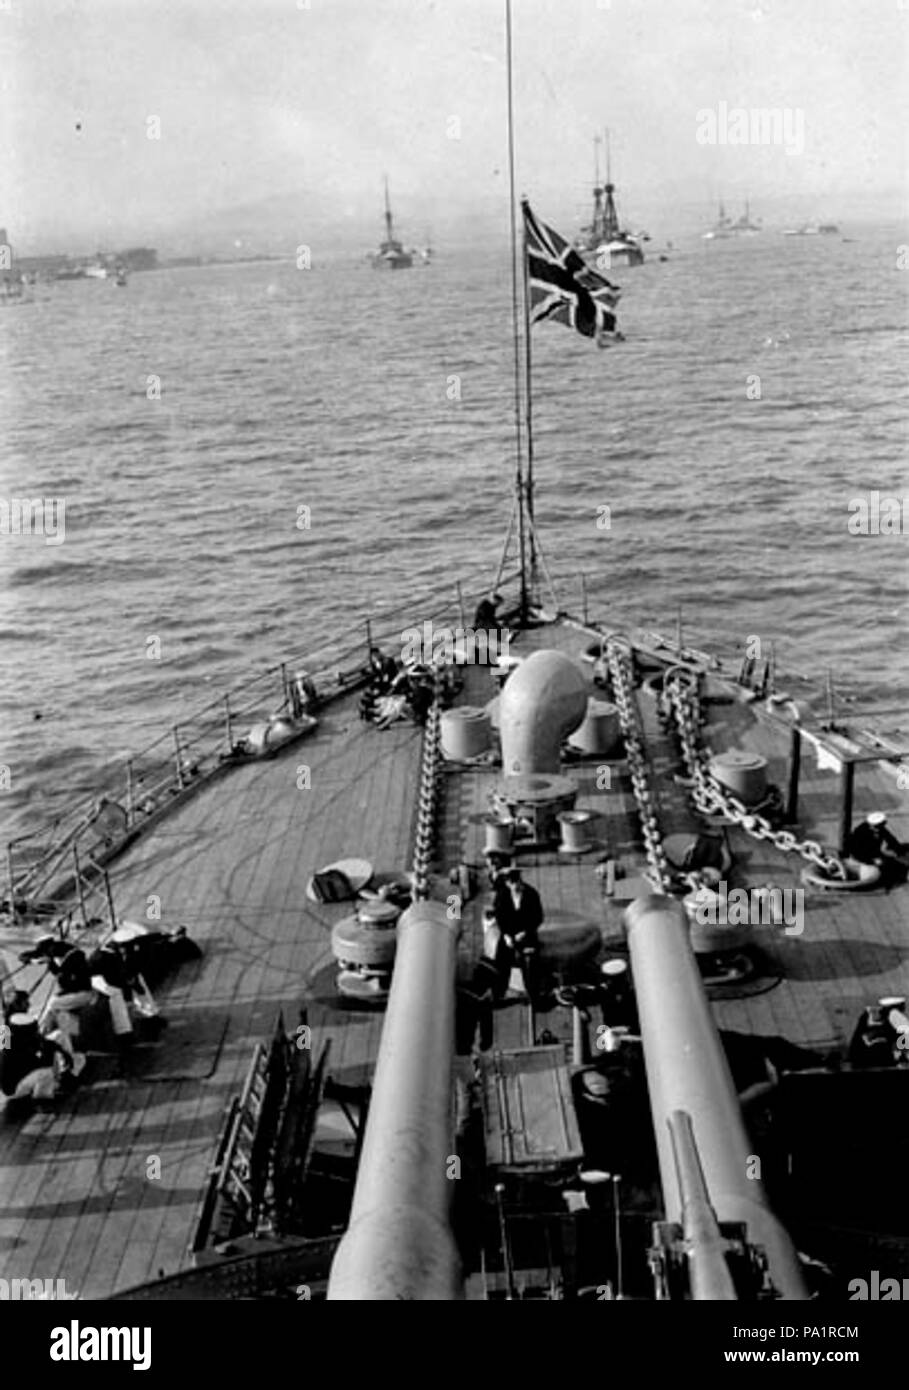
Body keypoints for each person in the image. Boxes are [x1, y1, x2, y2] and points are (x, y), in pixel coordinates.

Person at [493, 867, 544, 1001]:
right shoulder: (502, 895)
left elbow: (538, 917)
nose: (515, 887)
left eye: (517, 884)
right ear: (507, 884)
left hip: (526, 934)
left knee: (530, 963)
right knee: (501, 960)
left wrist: (525, 932)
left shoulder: (531, 894)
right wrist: (506, 935)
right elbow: (499, 916)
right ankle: (498, 993)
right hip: (509, 934)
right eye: (511, 884)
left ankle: (533, 995)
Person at [846, 812, 908, 886]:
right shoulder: (860, 833)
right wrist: (872, 861)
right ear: (871, 825)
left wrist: (899, 852)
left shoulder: (880, 829)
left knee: (893, 862)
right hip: (862, 858)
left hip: (874, 854)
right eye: (876, 826)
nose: (879, 829)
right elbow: (856, 852)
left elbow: (891, 840)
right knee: (886, 868)